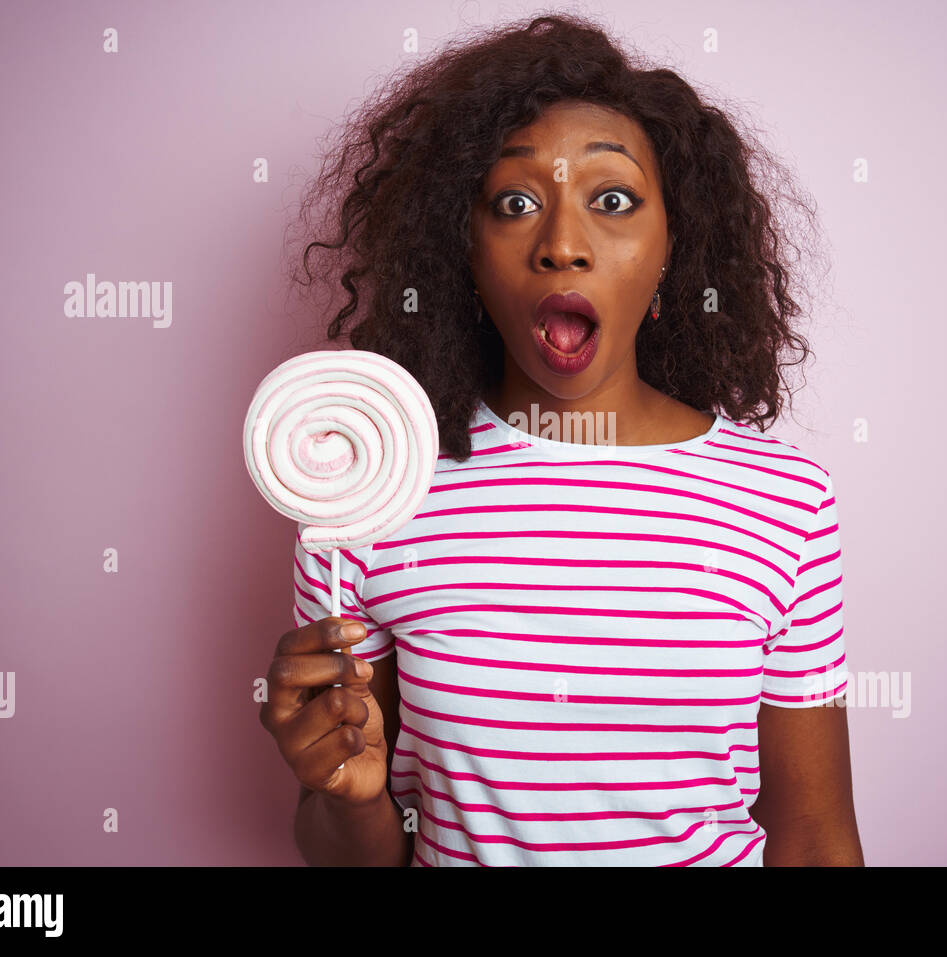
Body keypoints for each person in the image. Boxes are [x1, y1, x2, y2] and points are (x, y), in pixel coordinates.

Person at [260, 12, 863, 866]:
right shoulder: (373, 490)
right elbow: (355, 852)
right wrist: (344, 792)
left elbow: (814, 836)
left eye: (612, 200)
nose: (563, 246)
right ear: (461, 247)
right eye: (515, 204)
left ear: (671, 246)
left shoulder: (785, 503)